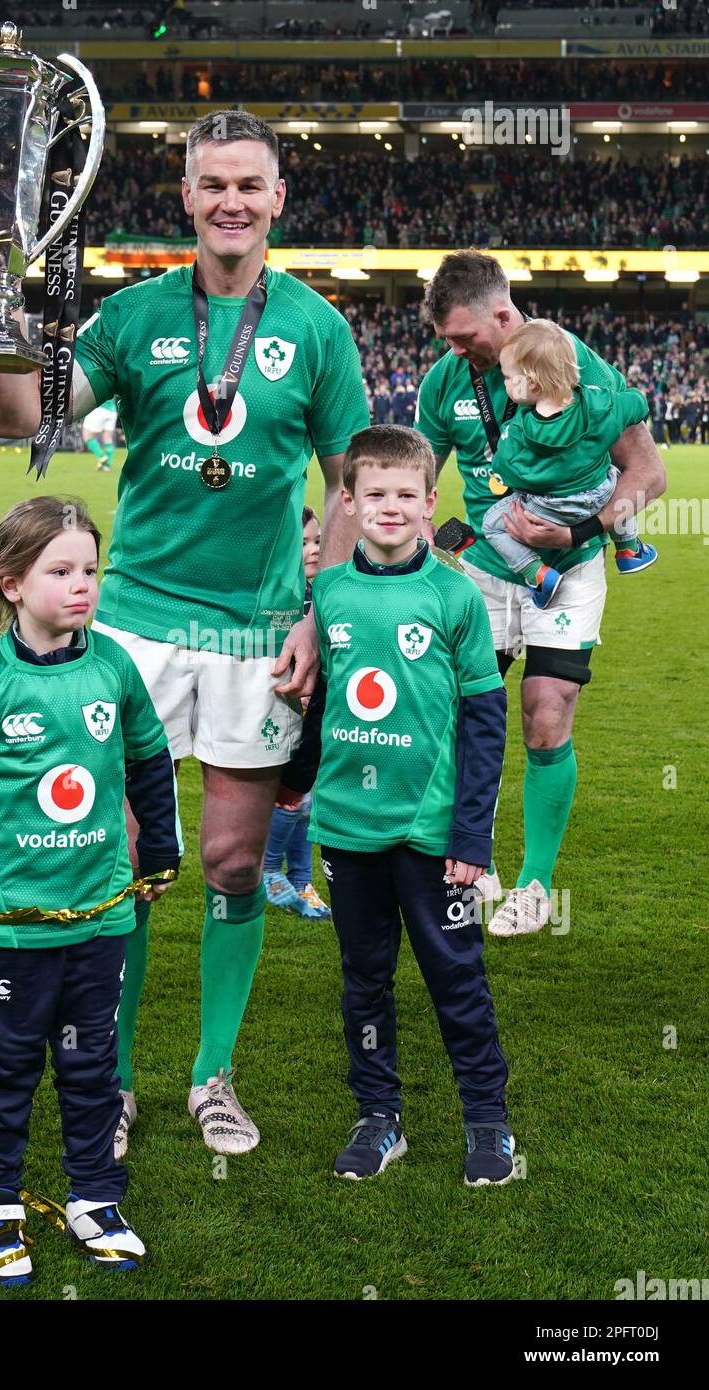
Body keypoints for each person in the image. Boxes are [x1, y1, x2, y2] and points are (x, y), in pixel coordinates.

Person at [0, 109, 369, 1156]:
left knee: (233, 863)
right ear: (184, 197)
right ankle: (116, 1078)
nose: (230, 200)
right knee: (131, 860)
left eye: (249, 184)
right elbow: (16, 422)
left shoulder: (317, 328)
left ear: (278, 198)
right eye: (212, 184)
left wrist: (322, 619)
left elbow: (352, 483)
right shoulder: (135, 315)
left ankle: (212, 1076)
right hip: (134, 623)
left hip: (257, 630)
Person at [0, 496, 182, 1284]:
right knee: (8, 1073)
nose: (82, 585)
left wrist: (160, 851)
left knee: (93, 1071)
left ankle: (94, 1197)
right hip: (13, 931)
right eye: (60, 571)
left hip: (103, 918)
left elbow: (151, 758)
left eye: (90, 569)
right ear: (14, 584)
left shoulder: (112, 664)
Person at [279, 425, 514, 1186]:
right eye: (373, 493)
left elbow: (485, 719)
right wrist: (297, 780)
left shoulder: (453, 596)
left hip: (432, 832)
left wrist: (471, 834)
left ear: (428, 502)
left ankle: (488, 1123)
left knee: (457, 980)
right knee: (363, 977)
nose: (389, 506)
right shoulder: (331, 591)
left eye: (404, 495)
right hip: (348, 826)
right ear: (348, 500)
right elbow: (323, 705)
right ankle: (379, 1118)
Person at [415, 251, 665, 937]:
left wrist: (579, 529)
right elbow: (417, 475)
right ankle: (475, 861)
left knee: (545, 714)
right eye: (447, 342)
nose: (457, 351)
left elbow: (646, 471)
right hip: (485, 571)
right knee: (469, 717)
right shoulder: (444, 381)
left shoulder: (574, 364)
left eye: (466, 338)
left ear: (504, 315)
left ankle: (535, 886)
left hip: (572, 564)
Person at [482, 319, 657, 609]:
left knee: (492, 524)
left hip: (551, 511)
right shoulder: (599, 403)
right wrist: (632, 401)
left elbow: (507, 470)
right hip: (600, 496)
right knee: (618, 479)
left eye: (509, 378)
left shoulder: (519, 429)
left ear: (533, 383)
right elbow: (637, 402)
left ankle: (538, 575)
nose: (504, 383)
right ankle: (628, 549)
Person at [262, 505, 332, 921]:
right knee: (293, 794)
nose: (312, 551)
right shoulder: (279, 596)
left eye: (318, 542)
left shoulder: (327, 592)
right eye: (301, 543)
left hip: (319, 709)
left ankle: (302, 880)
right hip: (282, 708)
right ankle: (270, 870)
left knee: (307, 797)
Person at [82, 397, 118, 471]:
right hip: (112, 411)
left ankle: (101, 456)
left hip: (99, 409)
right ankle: (107, 465)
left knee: (87, 435)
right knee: (107, 438)